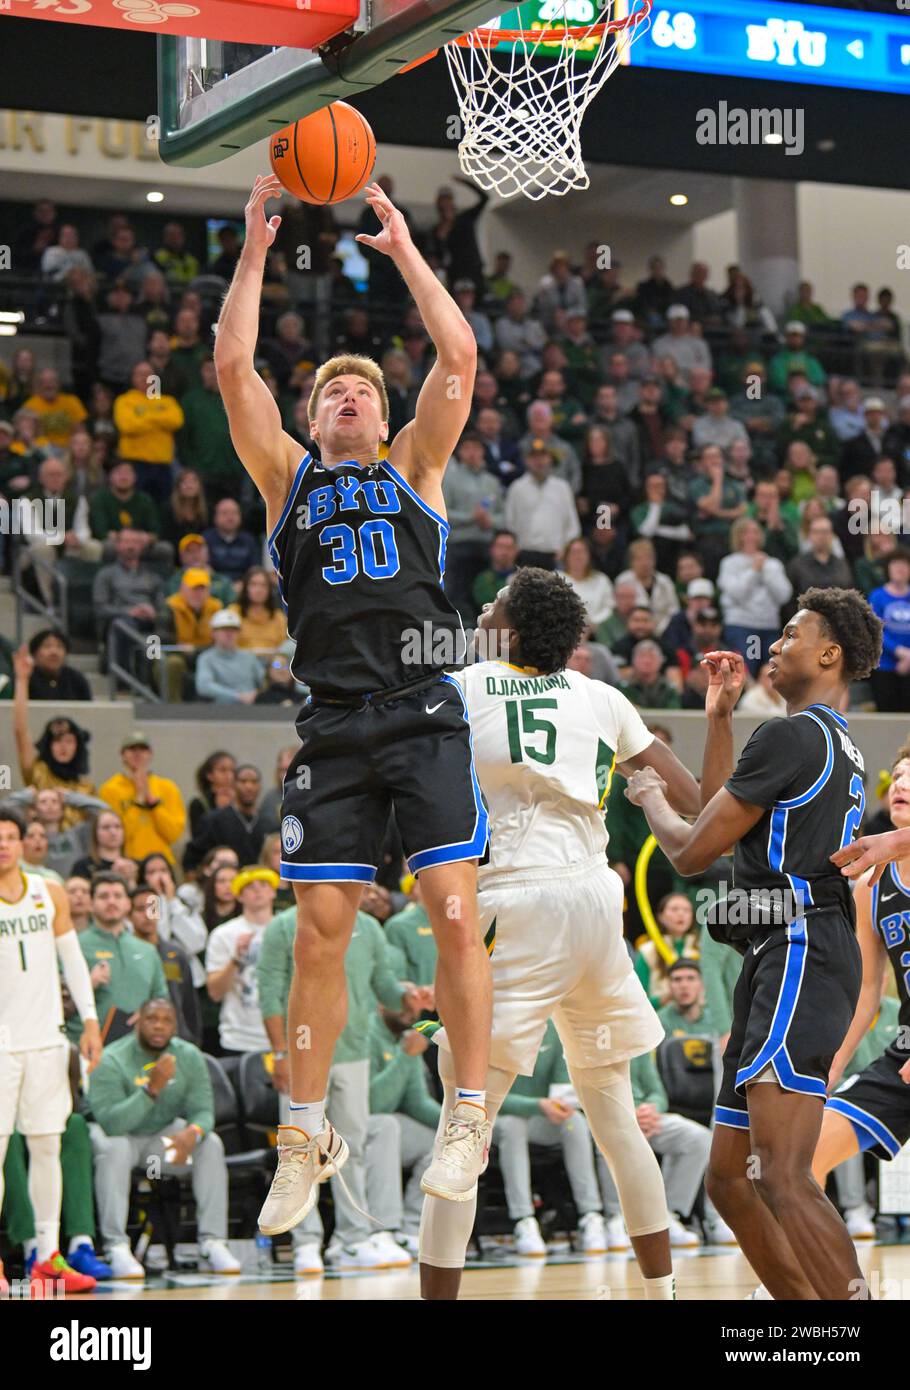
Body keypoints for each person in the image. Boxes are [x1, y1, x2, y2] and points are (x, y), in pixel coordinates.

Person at [216, 175, 494, 1241]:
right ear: (310, 415)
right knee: (318, 932)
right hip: (331, 724)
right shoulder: (289, 478)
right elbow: (232, 366)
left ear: (385, 416)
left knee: (455, 910)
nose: (349, 397)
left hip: (423, 707)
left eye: (364, 391)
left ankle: (468, 1111)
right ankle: (303, 1132)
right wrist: (252, 249)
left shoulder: (419, 465)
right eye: (333, 390)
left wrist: (409, 255)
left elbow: (459, 361)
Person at [419, 566, 703, 1300]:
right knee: (613, 1112)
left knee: (463, 1121)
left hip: (518, 899)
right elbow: (695, 797)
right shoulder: (602, 696)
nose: (482, 606)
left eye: (495, 600)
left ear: (509, 626)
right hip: (595, 900)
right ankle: (663, 1293)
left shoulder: (461, 684)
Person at [624, 587, 884, 1300]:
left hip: (800, 947)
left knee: (781, 1172)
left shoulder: (794, 734)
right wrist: (718, 718)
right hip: (783, 954)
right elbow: (723, 822)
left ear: (830, 653)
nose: (774, 644)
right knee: (730, 1181)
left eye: (792, 634)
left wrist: (646, 792)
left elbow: (691, 852)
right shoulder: (831, 741)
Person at [257, 901, 423, 1273]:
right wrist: (279, 1052)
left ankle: (352, 1239)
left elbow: (384, 985)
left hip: (354, 1050)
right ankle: (306, 1242)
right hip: (302, 1053)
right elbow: (269, 991)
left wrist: (408, 998)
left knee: (353, 1146)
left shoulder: (370, 927)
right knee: (299, 1153)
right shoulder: (283, 926)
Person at [801, 749, 910, 1256]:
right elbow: (869, 988)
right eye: (899, 775)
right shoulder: (874, 882)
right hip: (903, 1054)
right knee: (801, 1163)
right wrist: (834, 1063)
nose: (902, 783)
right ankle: (802, 1290)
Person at [0, 805, 102, 1297]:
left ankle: (46, 1257)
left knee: (47, 1145)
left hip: (44, 1038)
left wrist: (89, 1021)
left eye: (10, 836)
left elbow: (74, 961)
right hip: (0, 1045)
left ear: (22, 843)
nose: (4, 844)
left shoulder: (50, 893)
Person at [88, 998, 239, 1278]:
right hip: (124, 1139)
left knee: (210, 1144)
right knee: (114, 1147)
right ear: (138, 1022)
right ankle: (117, 1246)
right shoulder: (112, 1059)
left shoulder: (189, 1056)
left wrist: (193, 1132)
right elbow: (111, 1122)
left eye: (166, 1020)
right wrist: (150, 1090)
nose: (159, 1026)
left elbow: (203, 1110)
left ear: (175, 1026)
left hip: (158, 1149)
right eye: (152, 1019)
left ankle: (212, 1242)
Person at [491, 1020, 607, 1258]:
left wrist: (560, 1103)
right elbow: (487, 1094)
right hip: (494, 1116)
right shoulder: (493, 1027)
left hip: (538, 1116)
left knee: (574, 1122)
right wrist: (537, 1105)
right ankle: (523, 1219)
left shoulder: (553, 1029)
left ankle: (590, 1215)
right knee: (513, 1127)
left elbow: (562, 1083)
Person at [205, 867, 277, 1061]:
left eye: (263, 885)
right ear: (239, 896)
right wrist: (236, 959)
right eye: (249, 887)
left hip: (282, 1038)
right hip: (238, 1040)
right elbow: (215, 992)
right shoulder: (223, 934)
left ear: (273, 891)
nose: (257, 890)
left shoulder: (288, 930)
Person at [717, 518, 793, 676]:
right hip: (741, 625)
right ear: (738, 536)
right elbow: (736, 593)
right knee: (744, 672)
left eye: (755, 531)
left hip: (769, 626)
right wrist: (754, 571)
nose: (751, 536)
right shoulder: (729, 563)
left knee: (771, 672)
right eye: (746, 532)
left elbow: (784, 595)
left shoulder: (773, 564)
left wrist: (766, 572)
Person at [99, 733, 186, 866]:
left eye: (142, 750)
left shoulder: (168, 787)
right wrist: (139, 799)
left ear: (150, 754)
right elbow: (115, 836)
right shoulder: (110, 790)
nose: (138, 754)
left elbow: (173, 834)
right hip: (126, 862)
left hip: (162, 863)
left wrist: (155, 806)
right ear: (122, 754)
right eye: (132, 750)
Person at [130, 884, 202, 1046]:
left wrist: (193, 1039)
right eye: (141, 909)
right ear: (129, 915)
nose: (148, 915)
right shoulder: (125, 955)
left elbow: (189, 1001)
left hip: (176, 1038)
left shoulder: (175, 954)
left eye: (153, 908)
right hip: (136, 1038)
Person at [184, 764, 269, 871]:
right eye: (243, 781)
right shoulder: (213, 820)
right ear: (233, 784)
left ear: (260, 786)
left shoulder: (268, 821)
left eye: (254, 781)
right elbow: (191, 860)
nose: (249, 787)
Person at [635, 892, 700, 1006]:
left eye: (686, 910)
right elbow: (637, 1000)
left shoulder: (703, 948)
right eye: (674, 909)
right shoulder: (647, 951)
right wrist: (667, 997)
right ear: (661, 916)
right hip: (659, 1018)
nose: (681, 914)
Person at [868, 547, 910, 713]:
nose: (900, 569)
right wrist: (901, 652)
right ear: (888, 569)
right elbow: (875, 630)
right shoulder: (877, 596)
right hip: (885, 666)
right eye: (895, 565)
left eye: (904, 565)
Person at [195, 608, 265, 703]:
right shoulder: (206, 658)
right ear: (213, 633)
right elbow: (204, 686)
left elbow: (264, 680)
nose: (229, 634)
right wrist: (237, 696)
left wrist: (258, 694)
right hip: (221, 712)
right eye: (224, 629)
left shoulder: (249, 657)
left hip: (253, 709)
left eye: (234, 629)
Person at [229, 565, 287, 653]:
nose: (258, 590)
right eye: (253, 584)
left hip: (272, 663)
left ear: (269, 590)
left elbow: (284, 648)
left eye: (263, 585)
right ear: (246, 588)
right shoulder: (233, 613)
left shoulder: (279, 618)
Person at [26, 629, 91, 702]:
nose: (54, 652)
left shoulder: (76, 679)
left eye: (59, 646)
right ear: (35, 653)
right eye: (47, 646)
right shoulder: (26, 678)